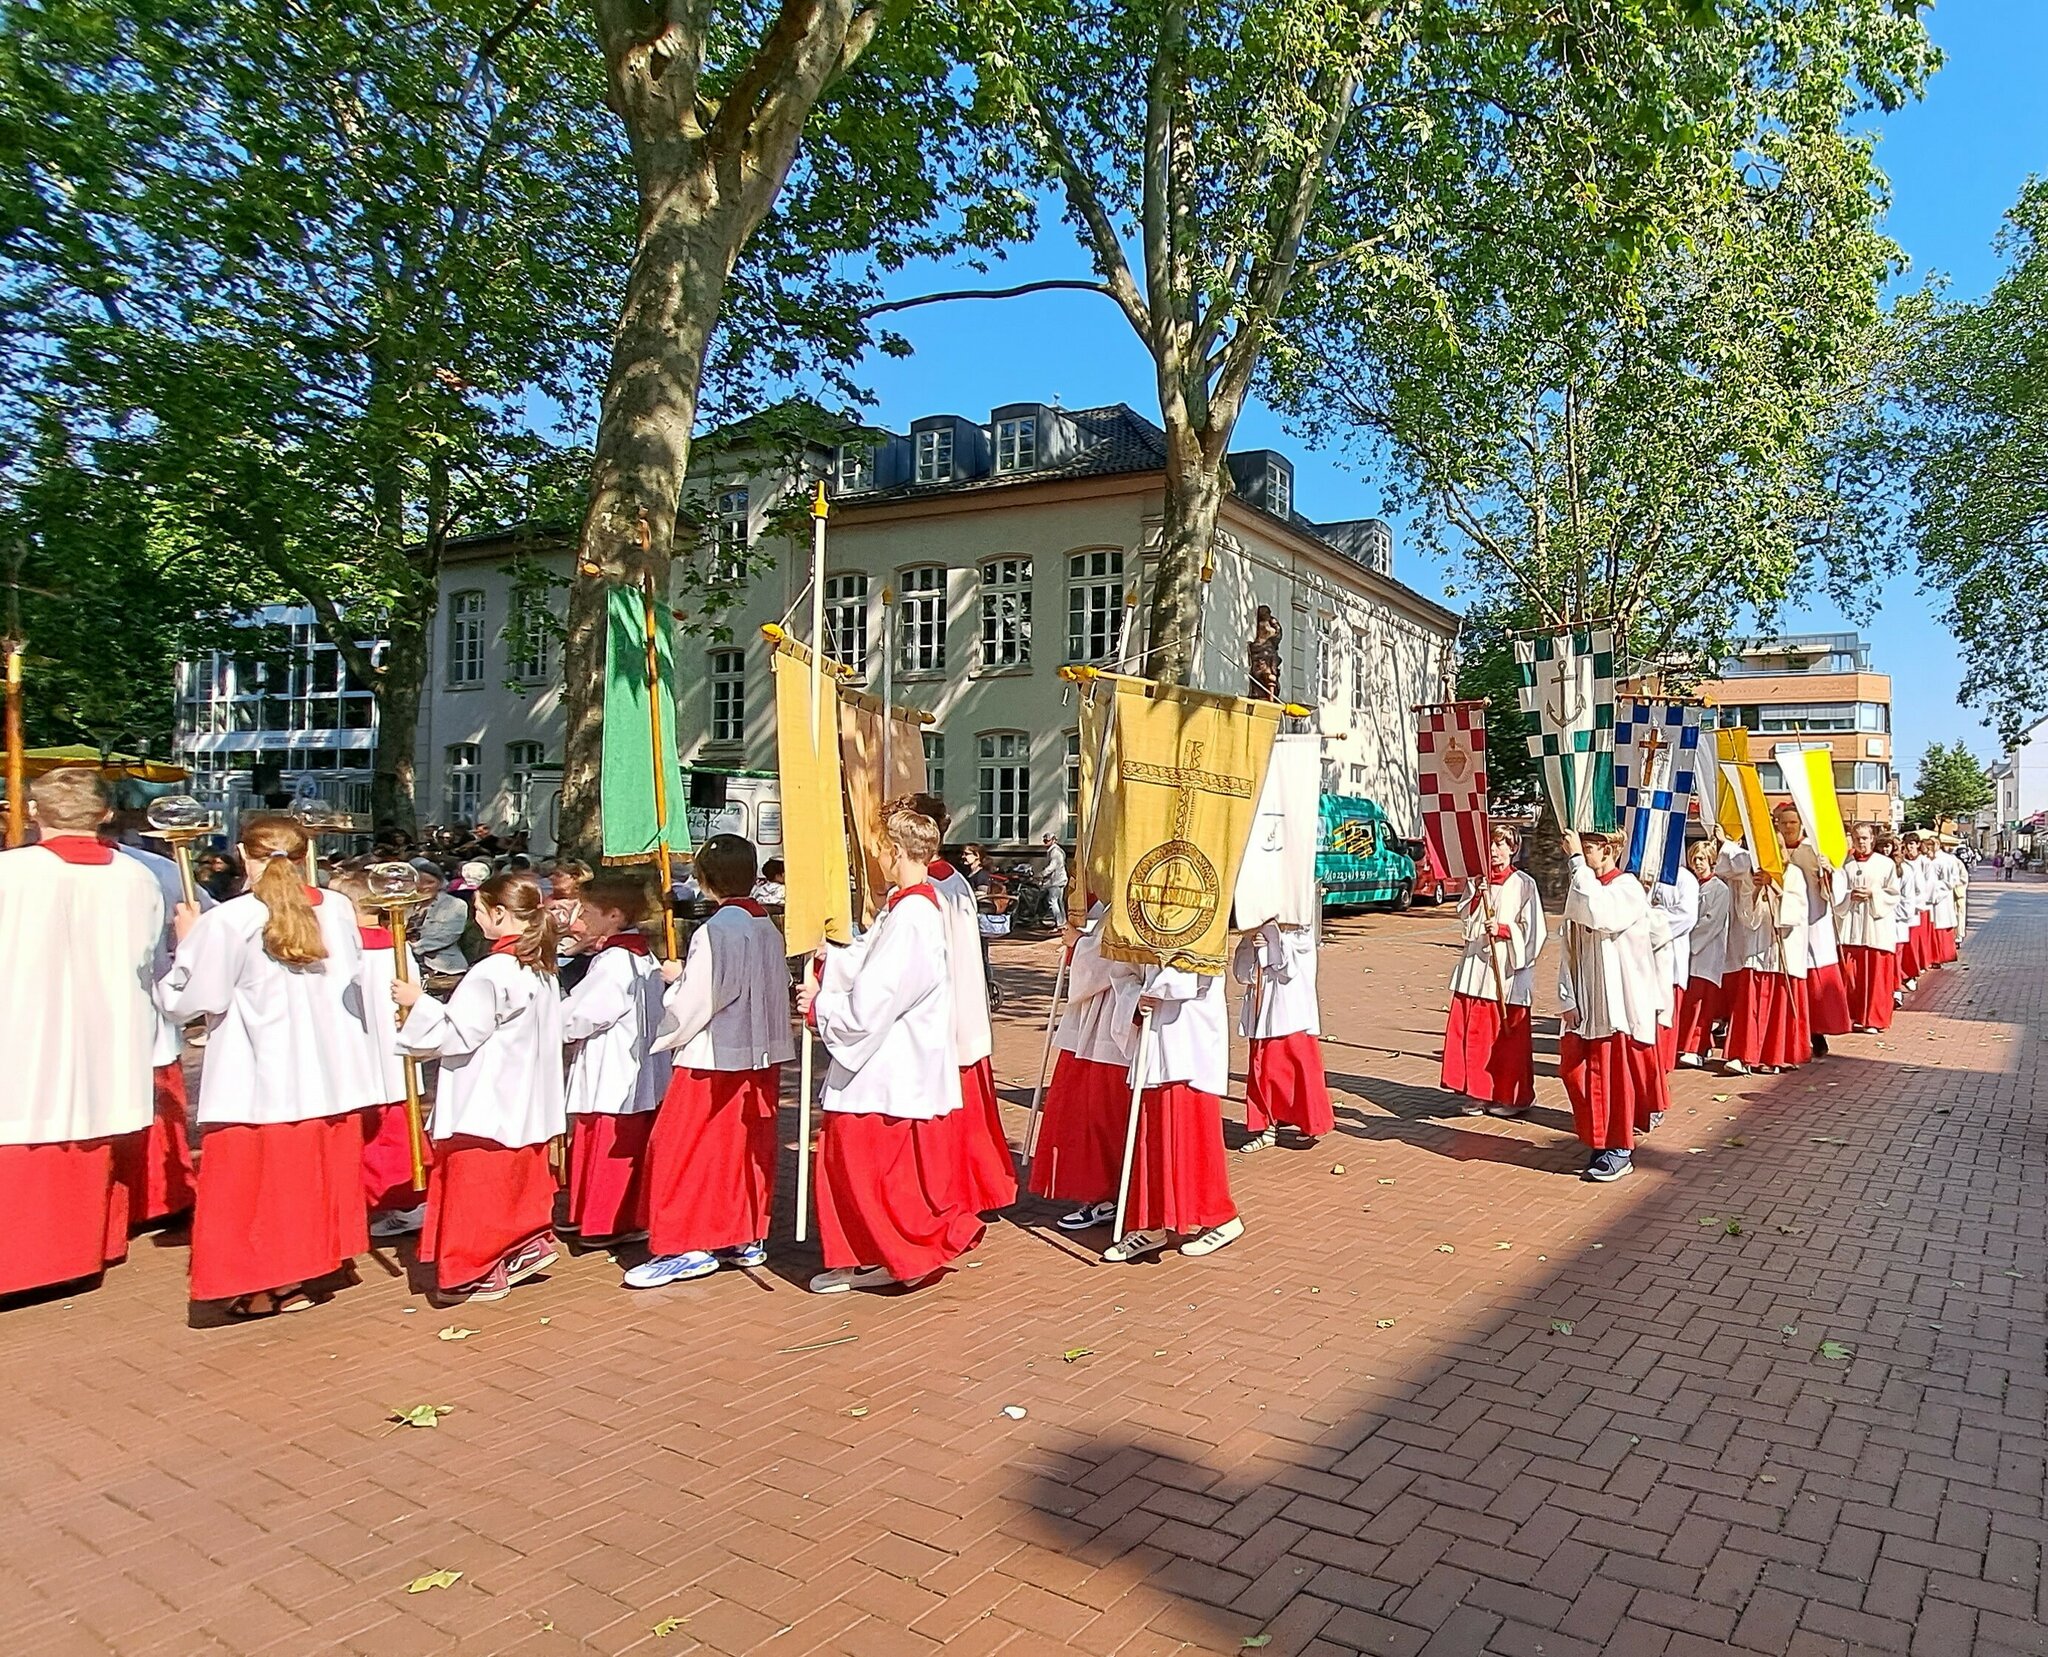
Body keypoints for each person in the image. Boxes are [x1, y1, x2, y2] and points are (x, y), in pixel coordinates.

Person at [161, 815, 380, 1317]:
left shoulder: (231, 919)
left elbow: (191, 999)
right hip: (330, 1067)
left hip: (261, 1070)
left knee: (259, 1187)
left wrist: (187, 941)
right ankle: (313, 1265)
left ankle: (268, 1281)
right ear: (307, 855)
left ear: (244, 855)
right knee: (312, 1177)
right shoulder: (340, 908)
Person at [797, 802, 985, 1294]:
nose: (876, 858)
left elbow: (877, 998)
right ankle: (871, 1253)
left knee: (866, 1168)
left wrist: (823, 1009)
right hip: (895, 1062)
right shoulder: (905, 906)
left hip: (888, 1065)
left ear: (897, 851)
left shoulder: (913, 915)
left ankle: (890, 1253)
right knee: (869, 1167)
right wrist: (829, 957)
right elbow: (867, 958)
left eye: (880, 849)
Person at [0, 769, 164, 1298]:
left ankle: (23, 1262)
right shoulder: (135, 876)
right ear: (105, 814)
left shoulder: (11, 873)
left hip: (26, 1023)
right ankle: (83, 1249)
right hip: (106, 1026)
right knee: (92, 1130)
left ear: (31, 813)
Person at [393, 871, 568, 1304]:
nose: (476, 920)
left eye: (479, 912)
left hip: (487, 1097)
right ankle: (523, 1244)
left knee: (478, 1188)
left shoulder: (493, 971)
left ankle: (475, 1268)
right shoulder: (539, 967)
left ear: (501, 913)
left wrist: (419, 1005)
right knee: (516, 1180)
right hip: (525, 1094)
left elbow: (457, 1034)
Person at [628, 835, 794, 1288]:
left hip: (715, 1055)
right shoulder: (765, 925)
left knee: (684, 1147)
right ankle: (742, 1233)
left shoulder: (715, 931)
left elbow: (700, 1000)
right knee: (742, 1148)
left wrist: (674, 986)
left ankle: (687, 1243)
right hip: (759, 1052)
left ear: (704, 878)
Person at [1098, 958, 1243, 1264]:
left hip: (1189, 1035)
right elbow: (1124, 969)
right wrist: (1135, 998)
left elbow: (1201, 966)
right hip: (1153, 1035)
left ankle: (1219, 1215)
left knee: (1193, 1131)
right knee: (1150, 1133)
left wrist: (1160, 988)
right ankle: (1150, 1223)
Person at [559, 876, 673, 1246]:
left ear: (614, 916)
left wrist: (551, 1022)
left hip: (612, 1065)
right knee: (608, 1138)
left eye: (587, 912)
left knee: (609, 1142)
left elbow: (588, 1013)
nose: (579, 921)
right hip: (631, 1063)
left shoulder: (614, 961)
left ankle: (608, 1221)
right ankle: (597, 1214)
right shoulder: (640, 954)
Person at [920, 794, 1019, 1216]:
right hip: (964, 1008)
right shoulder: (953, 880)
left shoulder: (931, 889)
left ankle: (963, 1188)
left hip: (943, 1013)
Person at [322, 869, 430, 1239]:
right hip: (386, 1048)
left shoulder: (359, 950)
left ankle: (404, 1203)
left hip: (373, 1048)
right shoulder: (391, 945)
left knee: (388, 1133)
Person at [1556, 828, 1667, 1182]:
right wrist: (1567, 996)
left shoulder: (1627, 888)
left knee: (1613, 1080)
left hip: (1617, 1006)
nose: (1580, 853)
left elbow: (1600, 914)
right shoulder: (1583, 884)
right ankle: (1598, 1139)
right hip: (1586, 1002)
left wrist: (1577, 863)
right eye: (1579, 848)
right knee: (1577, 1076)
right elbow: (1568, 944)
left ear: (1607, 850)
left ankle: (1619, 1147)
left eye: (1587, 848)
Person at [112, 827, 207, 1228]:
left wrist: (181, 948)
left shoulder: (156, 870)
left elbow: (209, 923)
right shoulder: (157, 869)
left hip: (144, 1007)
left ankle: (155, 1196)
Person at [1028, 901, 1131, 1230]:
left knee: (1101, 1113)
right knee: (1084, 1110)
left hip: (1113, 1022)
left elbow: (1113, 960)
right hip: (1093, 1021)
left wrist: (1079, 943)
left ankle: (1107, 1193)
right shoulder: (1111, 902)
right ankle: (1101, 1192)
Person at [1438, 827, 1548, 1117]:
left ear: (1512, 849)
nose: (1495, 852)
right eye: (1490, 847)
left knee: (1506, 1038)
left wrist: (1503, 930)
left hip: (1506, 969)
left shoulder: (1524, 884)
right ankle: (1477, 1092)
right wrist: (1476, 896)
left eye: (1501, 846)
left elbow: (1534, 930)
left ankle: (1513, 1096)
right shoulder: (1479, 883)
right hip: (1477, 968)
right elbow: (1466, 919)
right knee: (1474, 1033)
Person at [1233, 918, 1334, 1148]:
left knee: (1293, 1066)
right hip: (1262, 1007)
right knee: (1262, 1067)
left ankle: (1305, 1121)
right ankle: (1267, 1126)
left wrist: (1270, 948)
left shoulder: (1300, 927)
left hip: (1288, 1007)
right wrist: (1255, 945)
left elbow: (1293, 964)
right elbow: (1242, 973)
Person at [1722, 833, 1811, 1077]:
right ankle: (1745, 1055)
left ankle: (1776, 1055)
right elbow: (1747, 917)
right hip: (1758, 947)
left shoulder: (1794, 874)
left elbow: (1796, 912)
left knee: (1779, 1007)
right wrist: (1756, 889)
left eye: (1780, 847)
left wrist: (1774, 887)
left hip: (1783, 949)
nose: (1777, 852)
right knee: (1750, 1004)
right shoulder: (1755, 873)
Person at [1777, 805, 1850, 1057]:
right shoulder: (1773, 850)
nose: (1788, 827)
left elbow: (1833, 889)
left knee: (1814, 982)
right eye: (1783, 822)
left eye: (1792, 822)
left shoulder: (1812, 850)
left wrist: (1827, 873)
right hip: (1783, 925)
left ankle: (1817, 1033)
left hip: (1812, 922)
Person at [1674, 838, 1733, 1068]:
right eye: (1694, 859)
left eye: (1701, 859)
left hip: (1706, 953)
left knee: (1702, 1004)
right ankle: (1691, 1044)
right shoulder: (1691, 886)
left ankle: (1696, 1048)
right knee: (1689, 1003)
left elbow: (1711, 922)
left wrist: (1688, 939)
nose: (1697, 863)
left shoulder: (1719, 889)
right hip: (1689, 955)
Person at [1837, 823, 1901, 1033]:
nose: (1861, 842)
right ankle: (1851, 1015)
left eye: (1864, 838)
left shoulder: (1885, 864)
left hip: (1875, 925)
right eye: (1857, 838)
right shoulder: (1844, 865)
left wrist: (1873, 893)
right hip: (1851, 925)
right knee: (1850, 975)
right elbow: (1835, 893)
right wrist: (1848, 895)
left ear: (1872, 839)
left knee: (1875, 977)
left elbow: (1893, 893)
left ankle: (1873, 1019)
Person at [1648, 859, 1699, 1077]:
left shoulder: (1685, 879)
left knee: (1665, 1019)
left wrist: (1650, 920)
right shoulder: (1641, 872)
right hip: (1643, 959)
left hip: (1672, 960)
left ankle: (1660, 1068)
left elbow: (1687, 916)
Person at [409, 860, 471, 980]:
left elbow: (447, 936)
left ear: (440, 883)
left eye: (430, 882)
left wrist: (411, 948)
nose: (423, 886)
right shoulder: (406, 905)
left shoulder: (456, 904)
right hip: (411, 965)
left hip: (446, 968)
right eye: (419, 882)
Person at [1895, 834, 1932, 999]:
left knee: (1908, 949)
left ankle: (1908, 974)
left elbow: (1924, 888)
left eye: (1912, 844)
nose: (1908, 848)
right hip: (1891, 916)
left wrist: (1912, 906)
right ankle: (1898, 979)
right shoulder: (1891, 865)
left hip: (1911, 912)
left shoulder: (1919, 864)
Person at [1930, 834, 1967, 959]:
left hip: (1945, 895)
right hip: (1936, 895)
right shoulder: (1930, 859)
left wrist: (1938, 888)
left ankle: (1957, 937)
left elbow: (1957, 878)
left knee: (1955, 916)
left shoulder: (1947, 860)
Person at [1041, 832, 1069, 925]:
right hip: (1059, 879)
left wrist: (1042, 874)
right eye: (1045, 840)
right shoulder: (1056, 850)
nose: (1045, 842)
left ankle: (1059, 923)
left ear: (1053, 840)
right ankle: (1063, 921)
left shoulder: (1055, 852)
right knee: (1059, 902)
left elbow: (1052, 866)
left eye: (1047, 840)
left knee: (1052, 901)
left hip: (1056, 881)